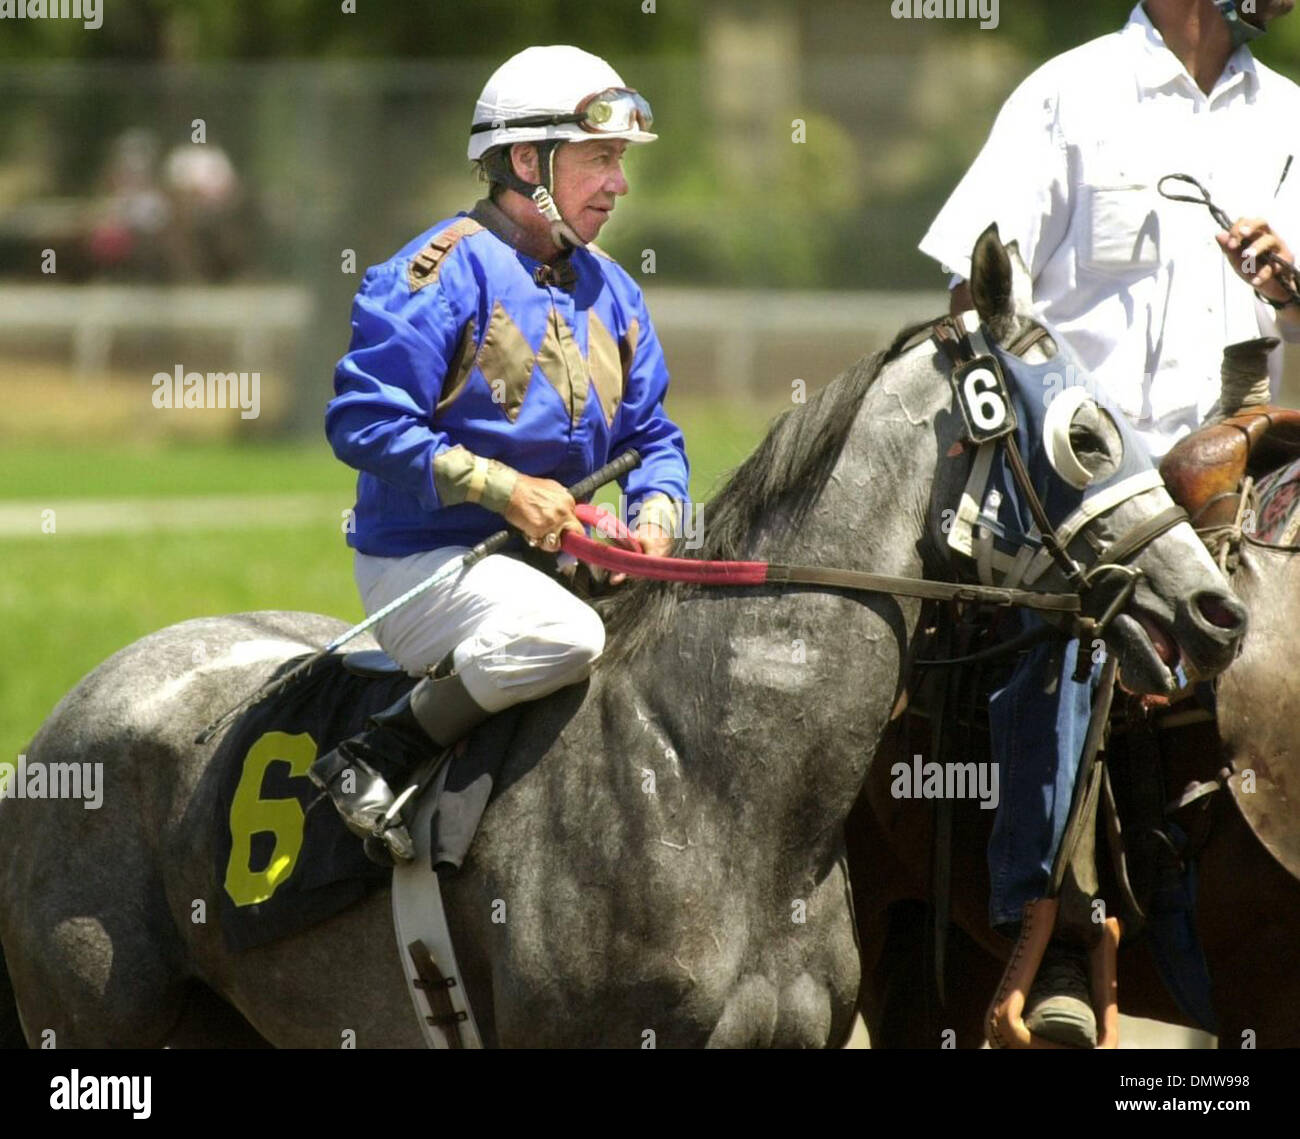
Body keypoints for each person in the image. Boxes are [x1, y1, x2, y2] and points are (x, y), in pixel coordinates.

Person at [918, 0, 1300, 1046]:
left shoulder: (1292, 116)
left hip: (1242, 454)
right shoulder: (1065, 97)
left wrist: (1294, 287)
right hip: (1087, 482)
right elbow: (974, 301)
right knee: (1070, 631)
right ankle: (1062, 937)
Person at [311, 45, 690, 863]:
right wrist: (505, 489)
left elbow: (653, 436)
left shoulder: (614, 289)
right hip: (426, 565)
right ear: (527, 162)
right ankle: (375, 754)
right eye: (599, 159)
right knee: (567, 637)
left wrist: (657, 515)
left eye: (619, 160)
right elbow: (364, 423)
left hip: (553, 566)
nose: (618, 183)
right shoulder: (433, 273)